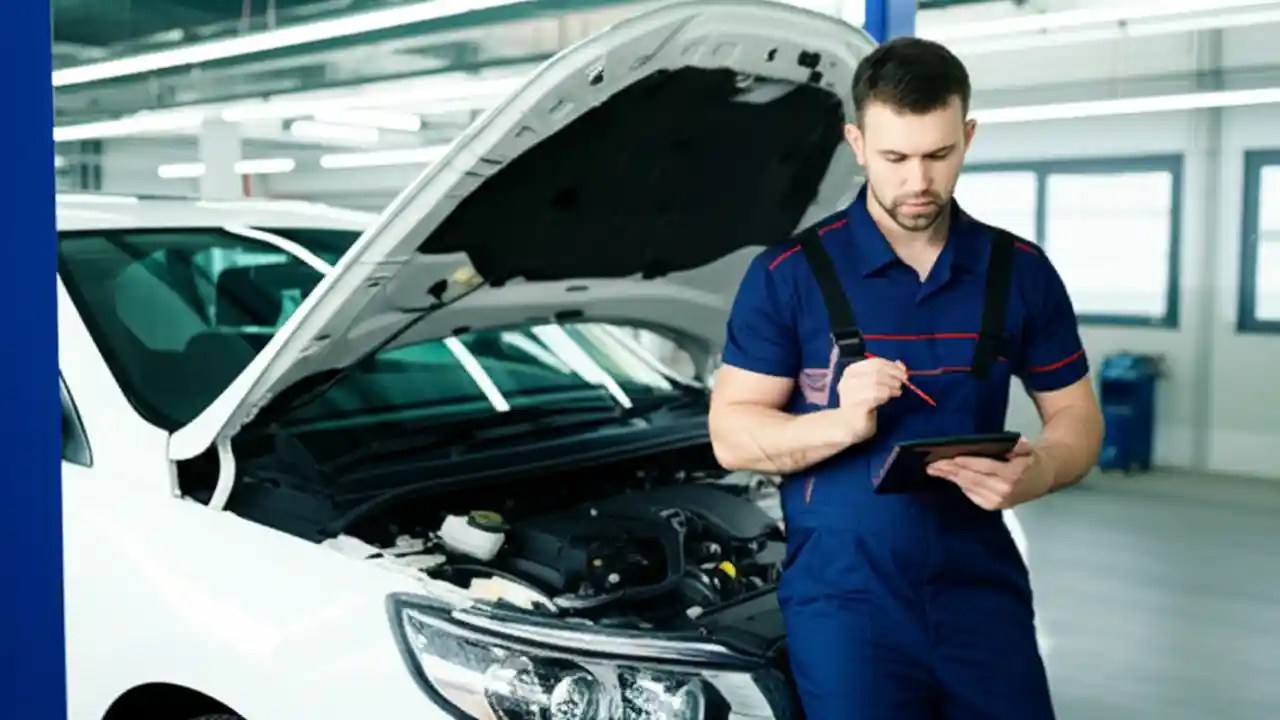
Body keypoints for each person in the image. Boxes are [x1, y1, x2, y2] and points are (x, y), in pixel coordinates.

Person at [707, 36, 1104, 720]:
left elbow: (1078, 419)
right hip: (846, 609)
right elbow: (732, 436)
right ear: (857, 143)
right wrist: (840, 421)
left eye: (938, 154)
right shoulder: (789, 276)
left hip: (982, 596)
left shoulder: (1020, 271)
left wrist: (1042, 471)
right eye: (895, 157)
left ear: (967, 136)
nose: (918, 181)